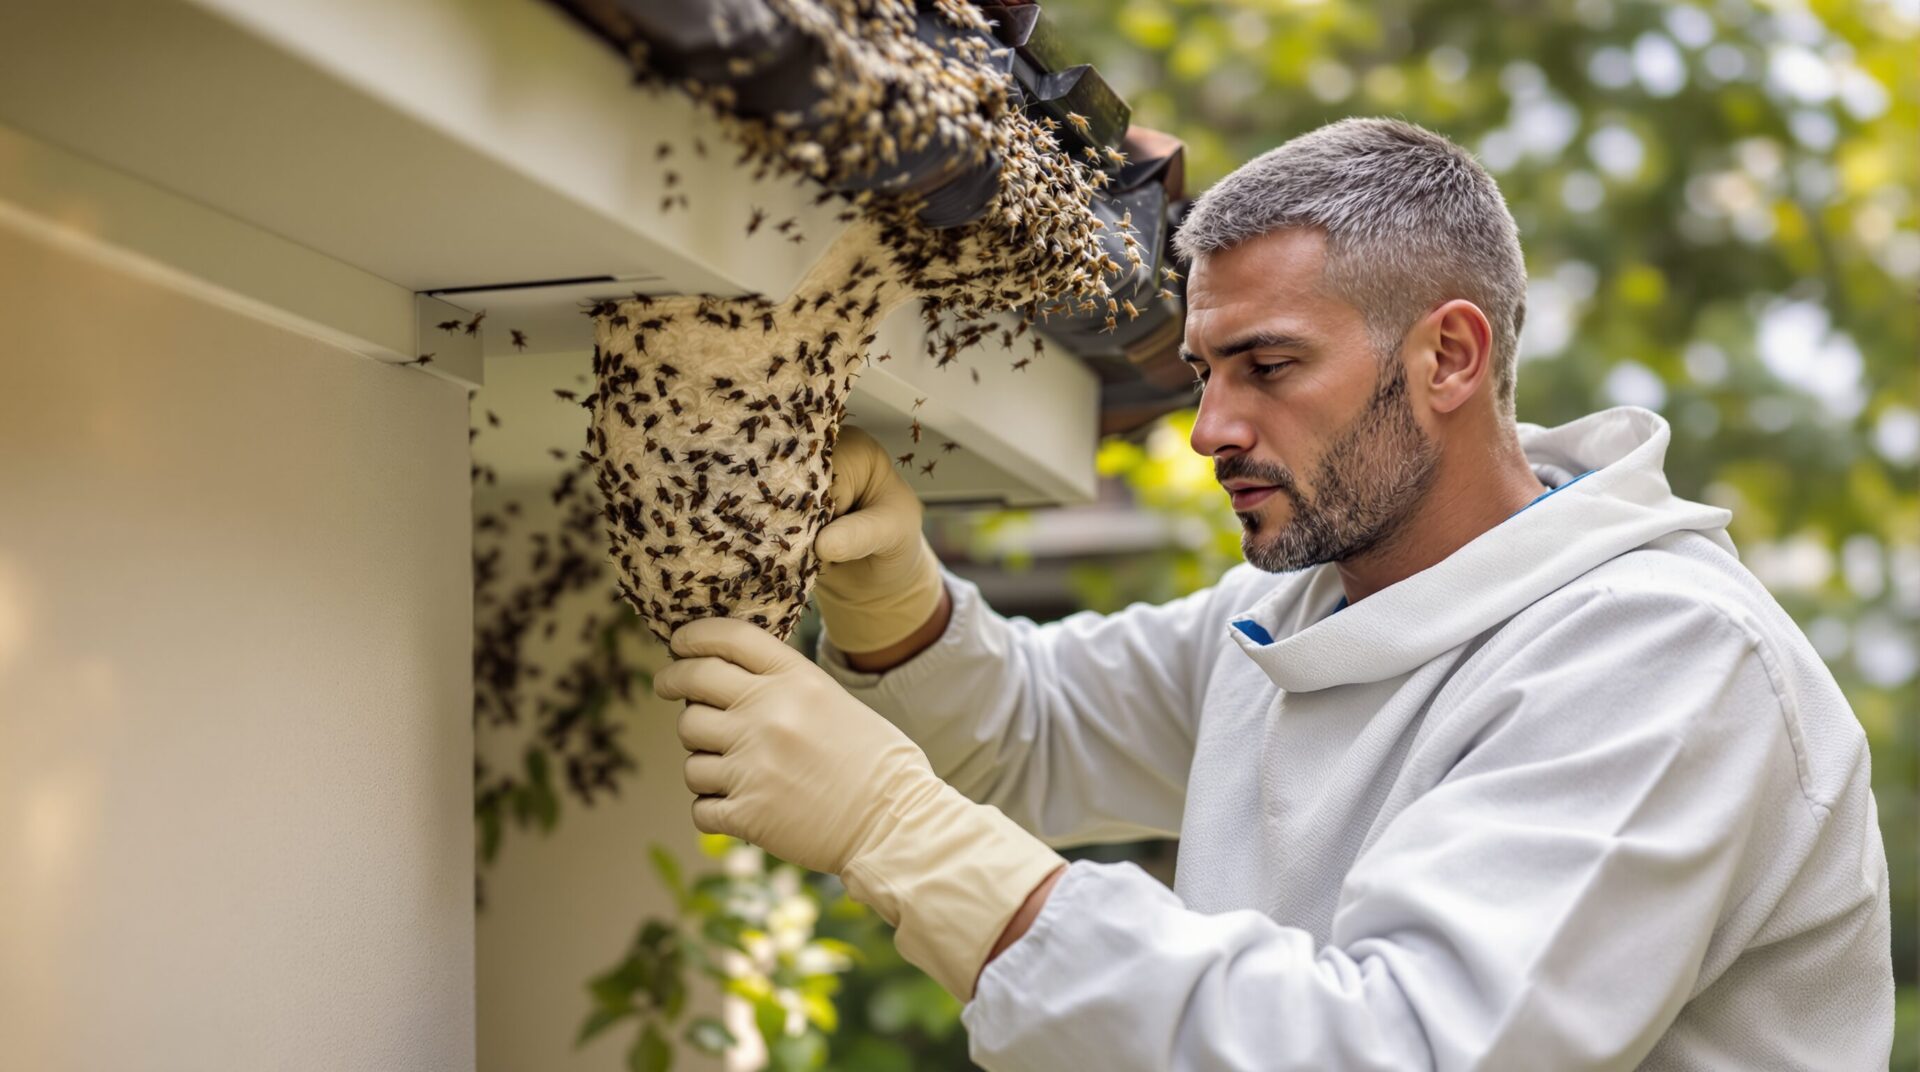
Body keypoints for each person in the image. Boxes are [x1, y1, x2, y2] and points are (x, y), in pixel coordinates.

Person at [651, 117, 1893, 1070]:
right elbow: (1028, 733)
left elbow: (1398, 1048)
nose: (1209, 429)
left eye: (1268, 365)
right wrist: (890, 595)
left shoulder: (1665, 662)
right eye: (1204, 370)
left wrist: (904, 836)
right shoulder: (1308, 611)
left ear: (1449, 354)